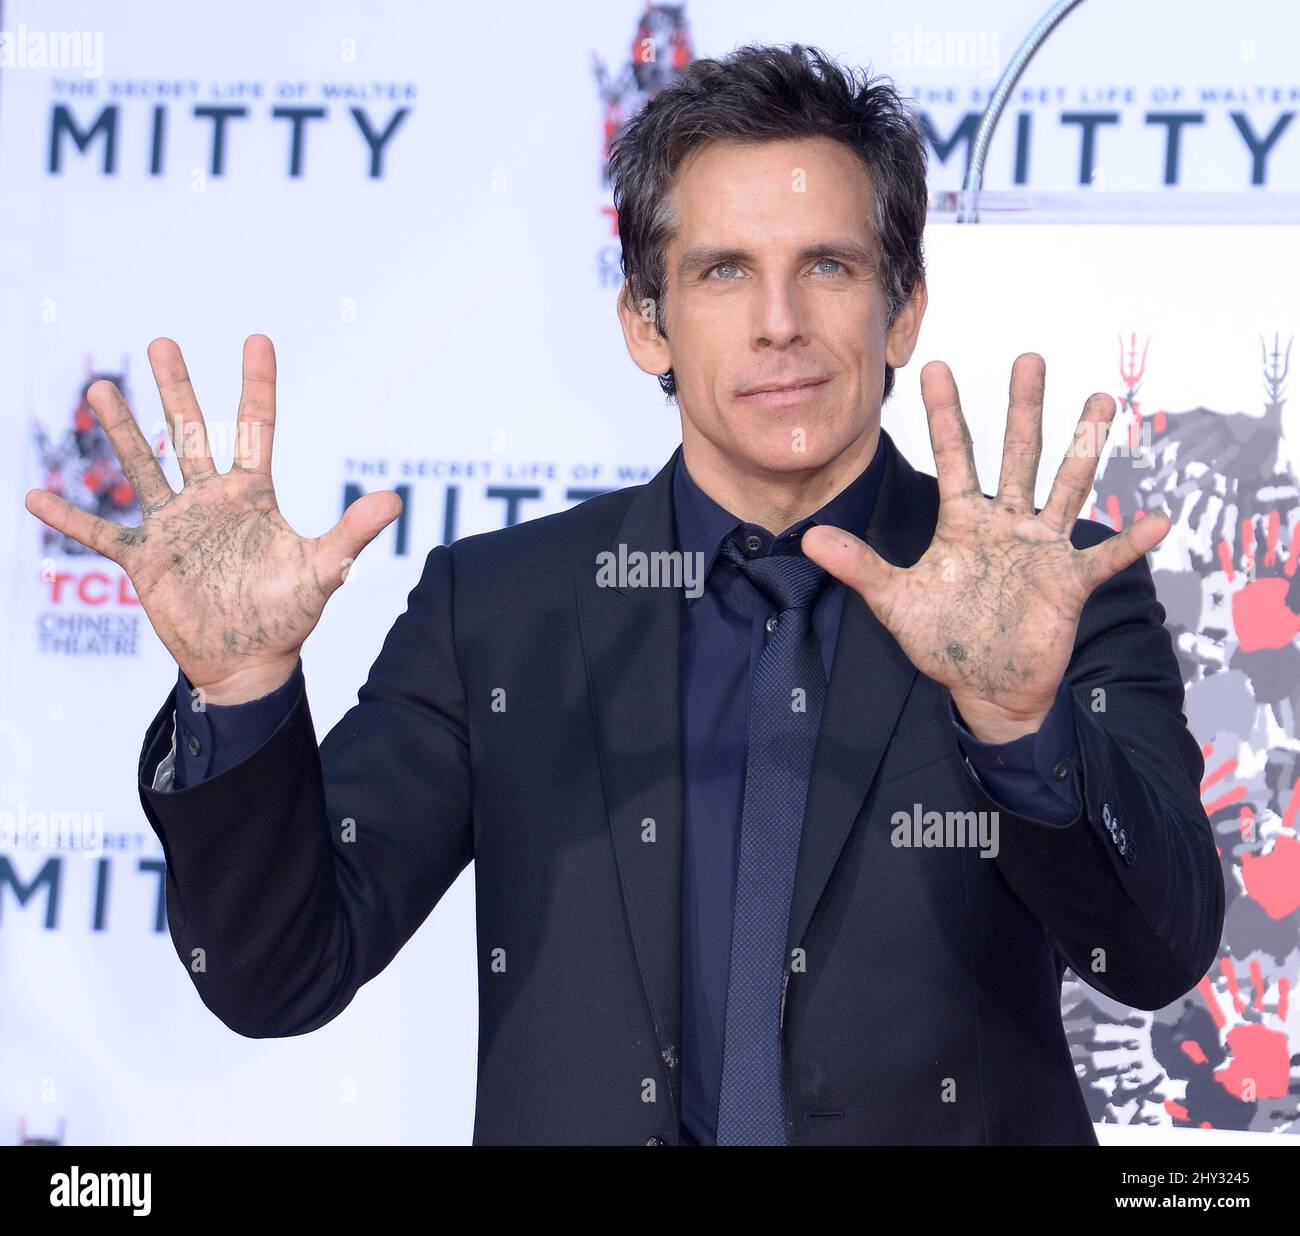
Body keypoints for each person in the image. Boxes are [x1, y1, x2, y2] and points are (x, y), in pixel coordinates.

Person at [24, 44, 1223, 1146]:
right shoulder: (497, 610)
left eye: (828, 266)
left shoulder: (1052, 596)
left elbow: (1156, 956)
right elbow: (278, 975)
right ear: (644, 325)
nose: (778, 324)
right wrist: (241, 694)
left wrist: (1018, 726)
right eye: (720, 272)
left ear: (902, 305)